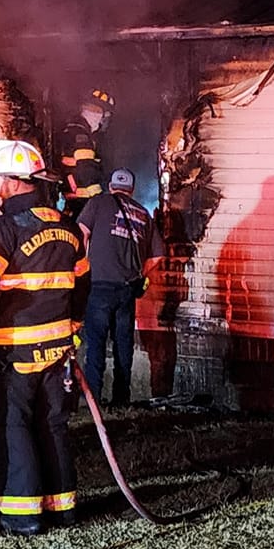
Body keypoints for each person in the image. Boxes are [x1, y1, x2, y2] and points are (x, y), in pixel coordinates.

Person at [0, 139, 86, 536]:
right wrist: (73, 327)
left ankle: (22, 514)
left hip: (14, 351)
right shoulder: (68, 227)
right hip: (59, 349)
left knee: (11, 424)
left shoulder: (3, 231)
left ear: (16, 182)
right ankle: (63, 507)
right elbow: (83, 286)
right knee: (52, 424)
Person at [76, 168, 166, 408]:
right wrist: (139, 276)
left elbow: (81, 234)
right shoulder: (143, 214)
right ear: (132, 189)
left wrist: (80, 269)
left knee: (95, 345)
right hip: (126, 290)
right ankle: (121, 399)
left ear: (110, 185)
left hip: (99, 286)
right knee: (122, 345)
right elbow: (157, 256)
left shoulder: (98, 203)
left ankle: (93, 400)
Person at [57, 88, 115, 221]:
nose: (104, 122)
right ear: (98, 113)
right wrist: (101, 201)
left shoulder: (71, 129)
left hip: (72, 201)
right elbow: (87, 172)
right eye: (106, 116)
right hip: (82, 204)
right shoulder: (82, 137)